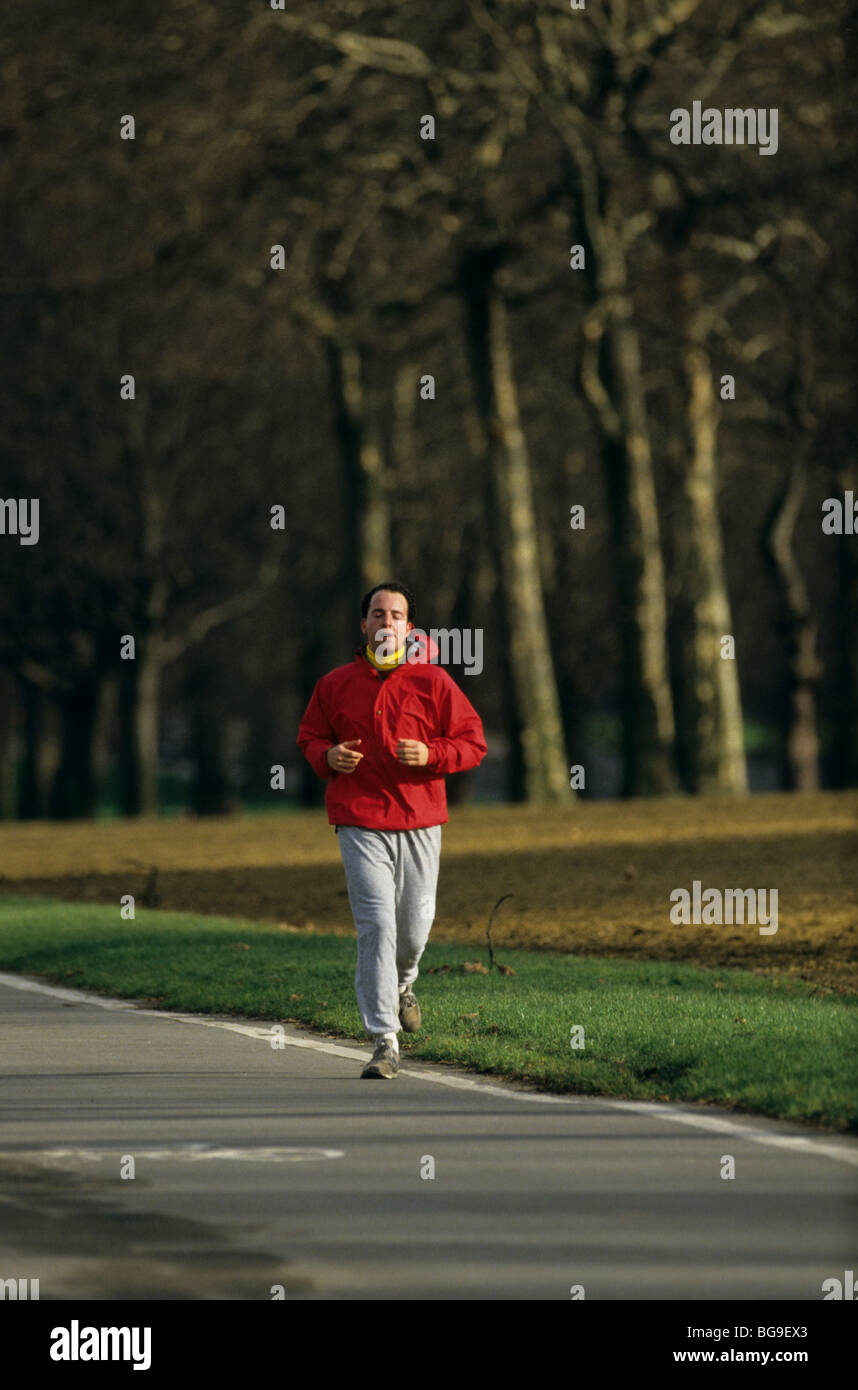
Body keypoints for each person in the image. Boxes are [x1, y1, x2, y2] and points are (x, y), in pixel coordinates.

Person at [296, 583, 487, 1079]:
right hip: (359, 819)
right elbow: (310, 737)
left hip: (421, 819)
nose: (386, 622)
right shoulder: (334, 684)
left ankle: (404, 984)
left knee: (415, 928)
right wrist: (327, 756)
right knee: (377, 923)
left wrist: (433, 755)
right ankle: (385, 1040)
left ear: (409, 628)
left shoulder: (434, 682)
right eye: (377, 614)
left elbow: (473, 742)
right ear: (364, 626)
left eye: (396, 615)